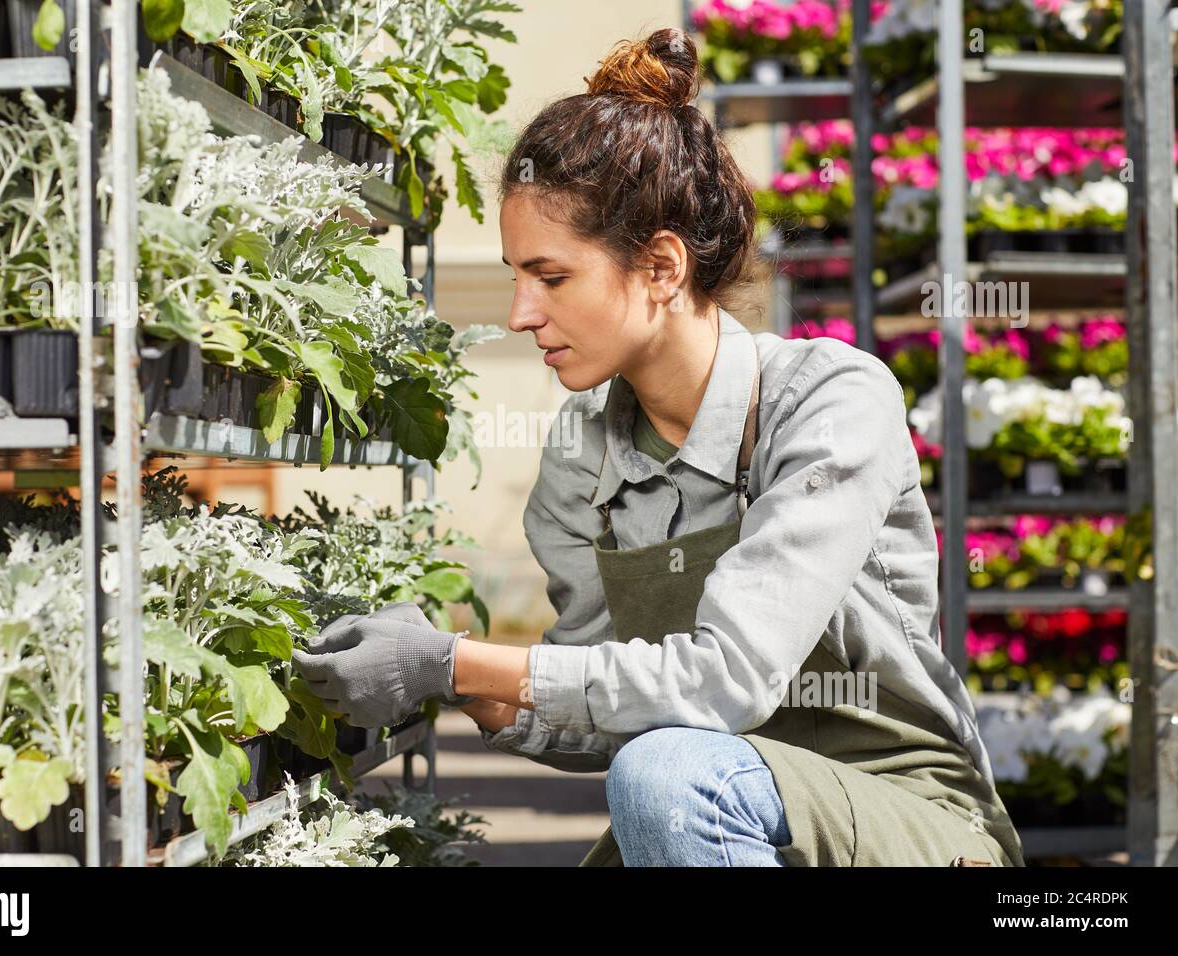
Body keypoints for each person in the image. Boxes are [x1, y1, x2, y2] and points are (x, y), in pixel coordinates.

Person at [294, 27, 1024, 868]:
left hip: (905, 814)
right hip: (720, 816)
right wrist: (443, 679)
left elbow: (723, 682)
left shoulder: (829, 401)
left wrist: (460, 662)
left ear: (662, 268)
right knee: (659, 778)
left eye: (552, 277)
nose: (521, 313)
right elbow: (596, 702)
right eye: (514, 276)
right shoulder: (584, 454)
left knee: (667, 775)